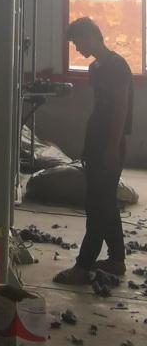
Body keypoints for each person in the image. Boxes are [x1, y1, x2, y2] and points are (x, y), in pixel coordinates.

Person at [54, 16, 133, 286]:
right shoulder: (95, 68)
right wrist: (89, 146)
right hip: (96, 141)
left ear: (90, 35)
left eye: (78, 42)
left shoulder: (117, 65)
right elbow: (100, 108)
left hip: (110, 143)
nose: (77, 48)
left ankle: (83, 265)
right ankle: (117, 259)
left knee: (97, 205)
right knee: (105, 201)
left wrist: (112, 147)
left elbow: (121, 108)